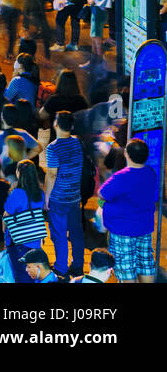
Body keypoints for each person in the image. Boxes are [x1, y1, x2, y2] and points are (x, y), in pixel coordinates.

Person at [97, 137, 159, 283]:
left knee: (126, 267)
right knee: (145, 263)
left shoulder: (122, 176)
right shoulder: (150, 172)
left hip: (123, 229)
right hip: (144, 227)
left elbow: (102, 193)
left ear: (127, 154)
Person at [43, 110, 86, 278]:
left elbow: (52, 174)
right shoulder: (77, 143)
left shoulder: (53, 148)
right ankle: (78, 266)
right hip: (74, 196)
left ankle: (61, 267)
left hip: (58, 198)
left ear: (55, 124)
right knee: (76, 232)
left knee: (59, 234)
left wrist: (47, 197)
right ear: (72, 126)